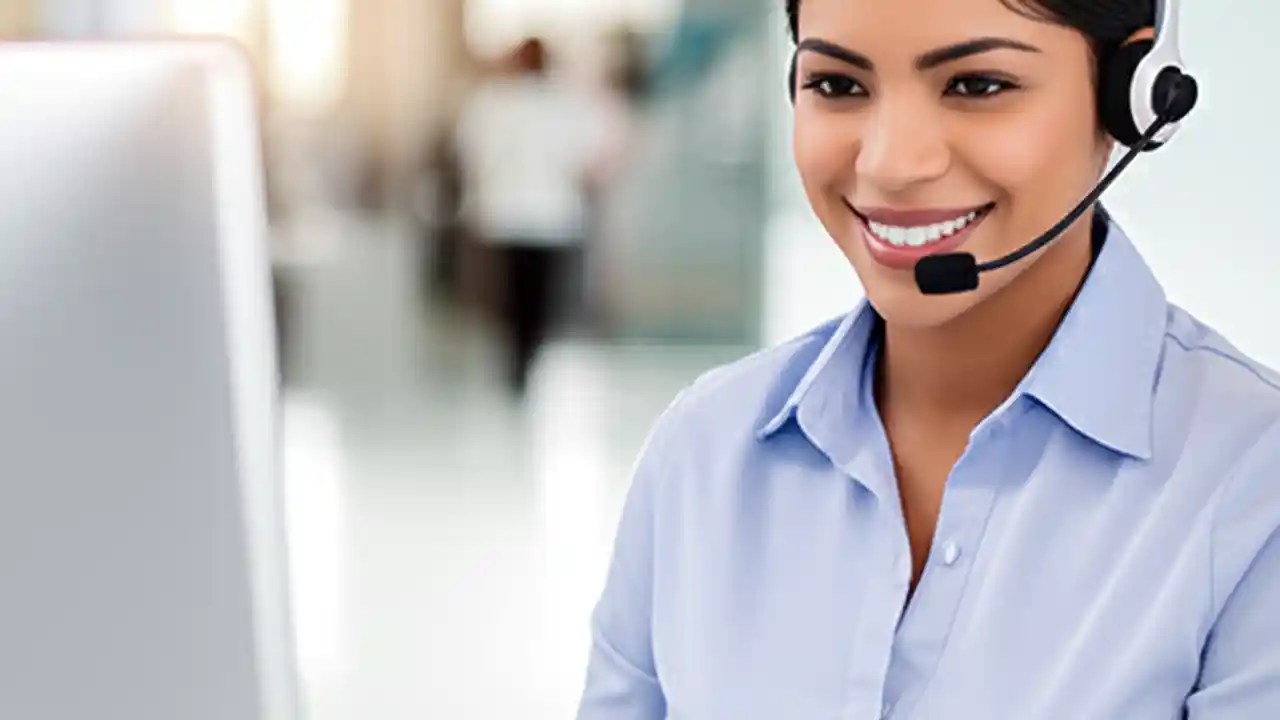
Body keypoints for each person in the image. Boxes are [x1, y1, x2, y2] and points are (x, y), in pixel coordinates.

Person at [576, 1, 1280, 718]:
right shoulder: (703, 452)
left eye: (976, 85)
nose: (890, 163)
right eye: (838, 85)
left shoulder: (1253, 485)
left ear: (1138, 99)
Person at [455, 38, 611, 394]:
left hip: (510, 215)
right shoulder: (563, 104)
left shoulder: (493, 102)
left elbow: (473, 155)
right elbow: (586, 158)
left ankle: (518, 360)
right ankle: (526, 358)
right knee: (538, 296)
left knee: (512, 295)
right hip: (546, 216)